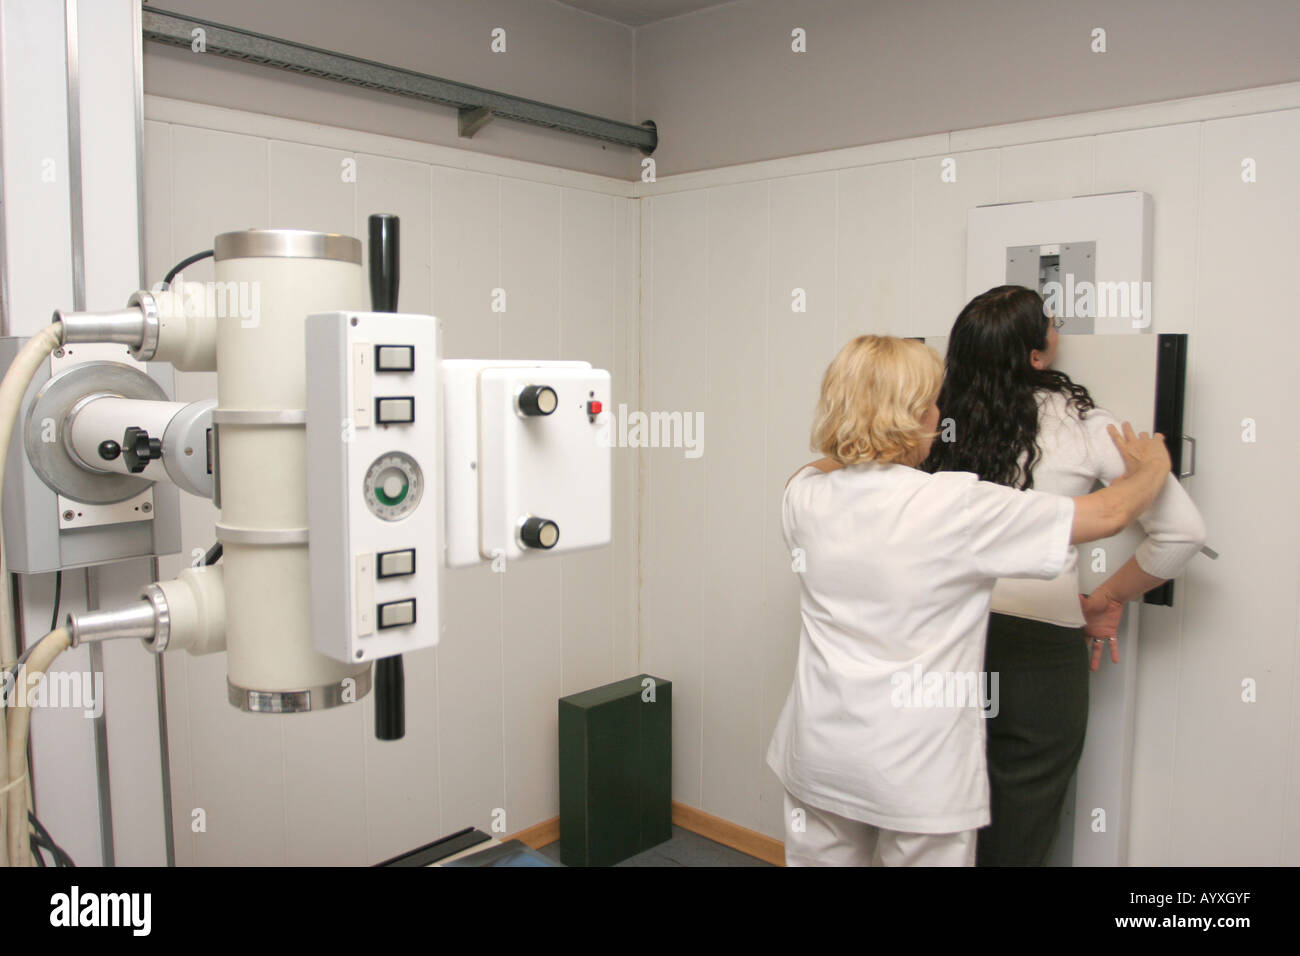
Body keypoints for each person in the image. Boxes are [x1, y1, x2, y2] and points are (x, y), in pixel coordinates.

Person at [766, 334, 1172, 866]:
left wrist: (856, 432)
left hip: (818, 757)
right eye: (934, 402)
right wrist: (1155, 465)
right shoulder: (956, 505)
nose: (941, 414)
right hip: (914, 775)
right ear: (913, 414)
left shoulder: (804, 495)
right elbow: (1109, 514)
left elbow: (822, 464)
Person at [923, 285, 1206, 866]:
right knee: (1021, 821)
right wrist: (1105, 597)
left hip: (937, 636)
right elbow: (1183, 534)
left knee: (930, 815)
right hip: (1036, 650)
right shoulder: (1083, 426)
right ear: (1036, 355)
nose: (1058, 324)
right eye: (1049, 320)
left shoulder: (930, 422)